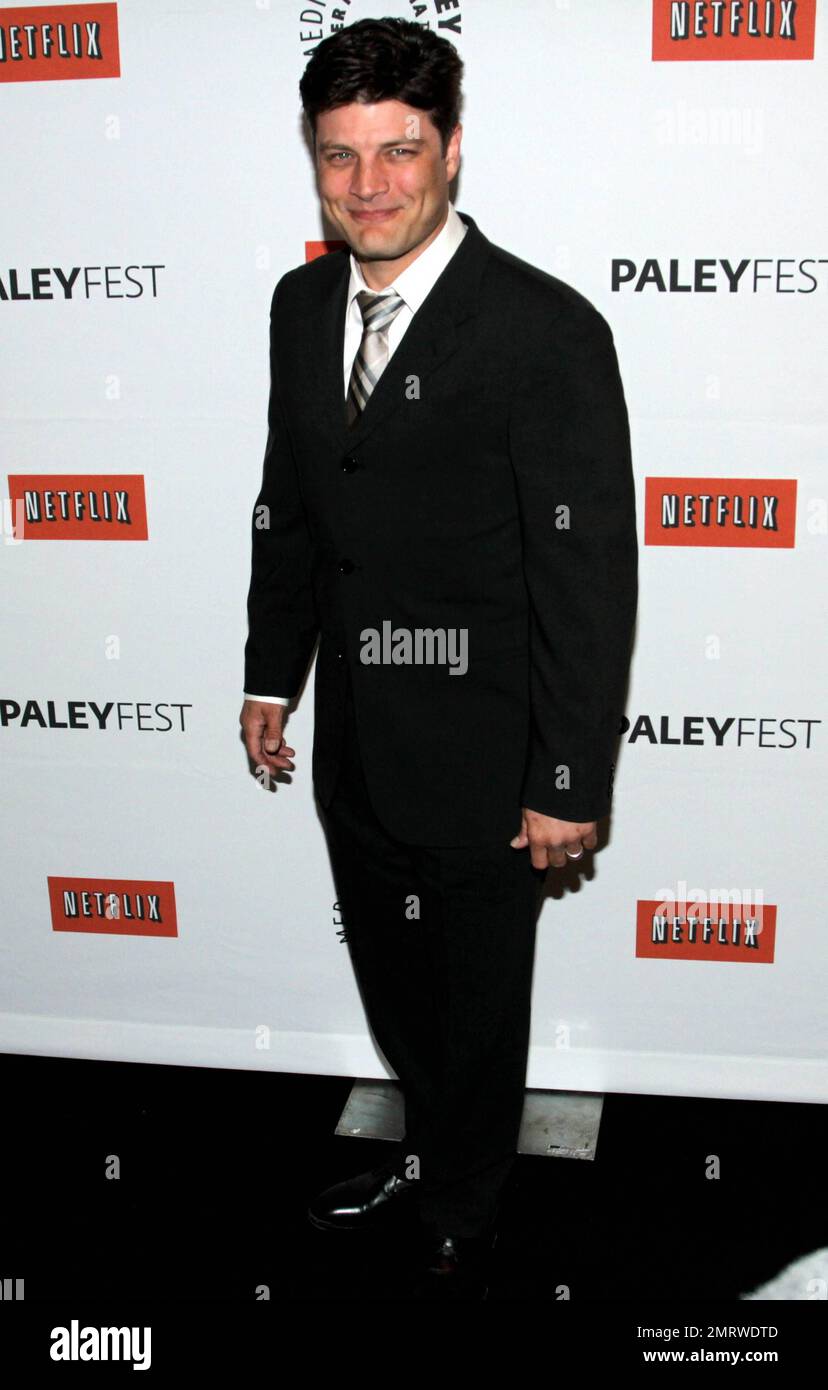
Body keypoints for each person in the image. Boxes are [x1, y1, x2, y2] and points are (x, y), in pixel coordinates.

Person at [240, 16, 638, 1300]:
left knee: (474, 1011)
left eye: (398, 151)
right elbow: (292, 502)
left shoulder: (543, 330)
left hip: (487, 757)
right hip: (357, 745)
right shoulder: (302, 304)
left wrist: (567, 776)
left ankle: (465, 1208)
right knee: (400, 993)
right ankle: (430, 1155)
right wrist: (271, 672)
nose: (367, 185)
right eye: (339, 155)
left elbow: (586, 572)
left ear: (452, 149)